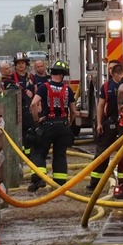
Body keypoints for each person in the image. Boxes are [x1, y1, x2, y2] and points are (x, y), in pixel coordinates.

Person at [28, 60, 77, 192]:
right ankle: (59, 183)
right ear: (62, 75)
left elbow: (33, 104)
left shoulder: (44, 87)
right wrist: (69, 122)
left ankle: (38, 179)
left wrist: (36, 120)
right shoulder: (68, 89)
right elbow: (73, 111)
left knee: (38, 152)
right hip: (63, 126)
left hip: (47, 125)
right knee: (60, 154)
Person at [89, 63, 123, 192]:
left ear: (115, 73)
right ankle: (95, 183)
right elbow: (101, 105)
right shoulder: (106, 86)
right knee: (102, 154)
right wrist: (99, 123)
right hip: (109, 123)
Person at [7, 52, 37, 157]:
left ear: (26, 64)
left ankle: (30, 152)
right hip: (17, 108)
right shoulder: (12, 78)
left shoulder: (31, 77)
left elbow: (36, 90)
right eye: (18, 63)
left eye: (22, 63)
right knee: (20, 132)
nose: (20, 65)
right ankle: (21, 152)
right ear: (15, 65)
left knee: (32, 131)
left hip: (30, 108)